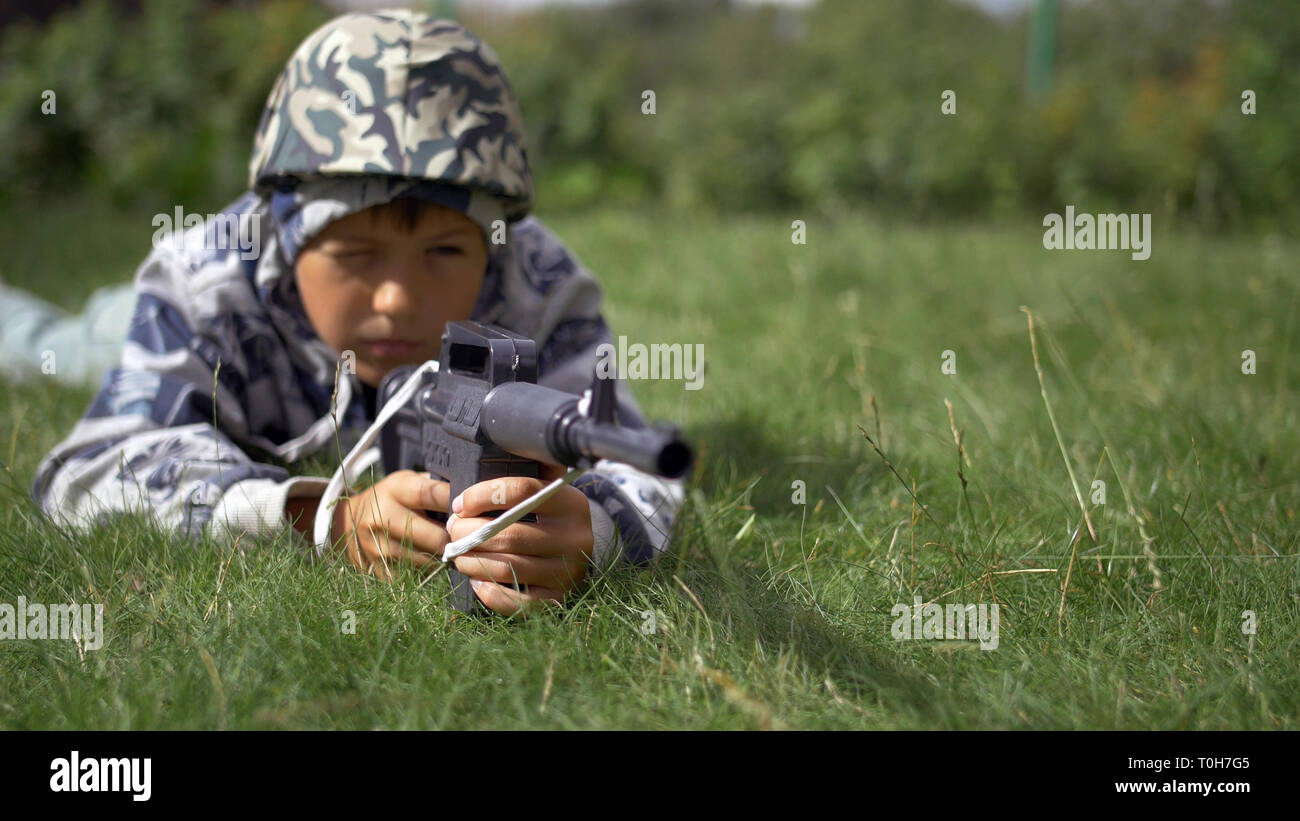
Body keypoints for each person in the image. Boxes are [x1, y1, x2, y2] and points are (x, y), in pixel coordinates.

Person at [25, 10, 683, 615]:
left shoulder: (538, 283)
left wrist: (593, 532)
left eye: (445, 250)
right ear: (288, 235)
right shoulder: (204, 281)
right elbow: (88, 472)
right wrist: (318, 515)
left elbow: (625, 451)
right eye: (356, 253)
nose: (396, 297)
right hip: (131, 324)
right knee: (53, 342)